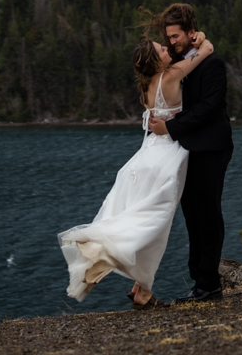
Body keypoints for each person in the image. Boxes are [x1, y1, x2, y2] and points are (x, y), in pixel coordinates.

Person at [58, 24, 215, 309]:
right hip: (168, 156)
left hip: (144, 157)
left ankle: (140, 289)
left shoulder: (148, 86)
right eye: (161, 49)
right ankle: (101, 251)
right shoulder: (172, 76)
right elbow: (207, 51)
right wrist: (199, 38)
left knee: (143, 215)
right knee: (155, 222)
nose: (167, 47)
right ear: (157, 61)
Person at [147, 2, 233, 302]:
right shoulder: (182, 64)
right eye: (168, 37)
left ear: (190, 33)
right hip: (184, 151)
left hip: (211, 148)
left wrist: (170, 128)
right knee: (192, 216)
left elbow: (208, 109)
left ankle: (210, 284)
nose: (172, 41)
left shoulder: (213, 65)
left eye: (176, 36)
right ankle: (200, 282)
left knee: (208, 215)